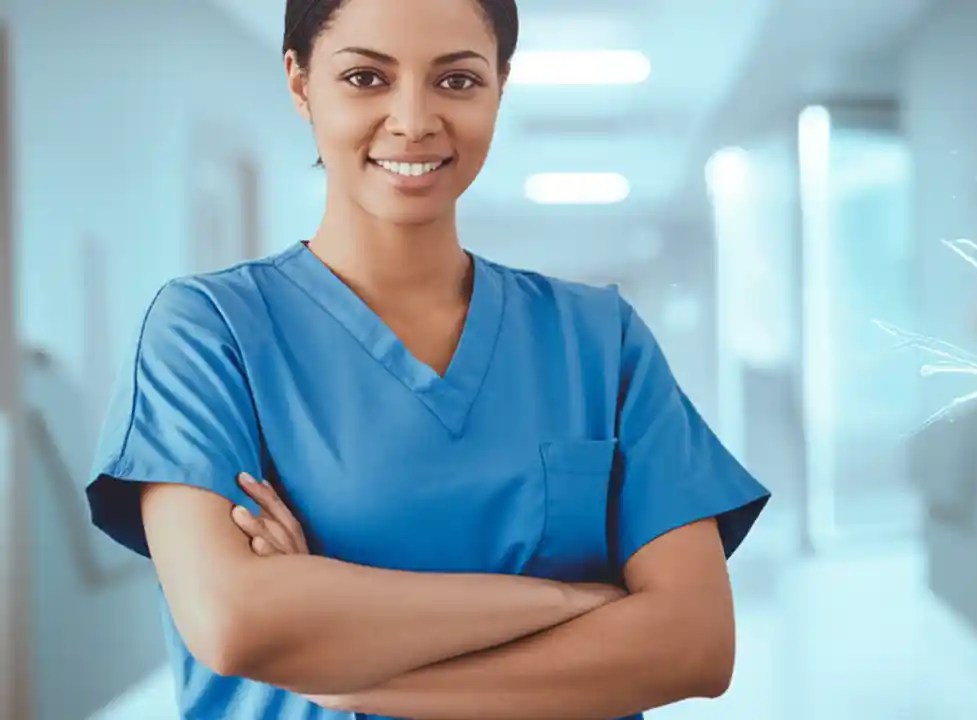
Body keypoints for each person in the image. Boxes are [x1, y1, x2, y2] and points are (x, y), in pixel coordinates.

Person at [83, 0, 771, 718]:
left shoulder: (600, 340)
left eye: (457, 81)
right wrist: (569, 601)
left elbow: (694, 644)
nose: (413, 119)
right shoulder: (208, 332)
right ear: (299, 82)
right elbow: (235, 622)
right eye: (365, 78)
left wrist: (344, 653)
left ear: (501, 86)